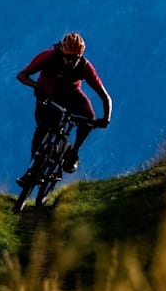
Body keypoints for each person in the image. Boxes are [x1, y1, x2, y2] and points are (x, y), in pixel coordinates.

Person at [16, 31, 112, 180]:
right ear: (61, 51)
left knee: (88, 118)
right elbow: (22, 75)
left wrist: (106, 119)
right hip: (47, 94)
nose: (70, 61)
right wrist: (36, 86)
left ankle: (74, 152)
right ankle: (32, 170)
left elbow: (105, 96)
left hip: (71, 94)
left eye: (74, 58)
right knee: (42, 131)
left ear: (80, 56)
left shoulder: (85, 67)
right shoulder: (48, 57)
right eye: (67, 57)